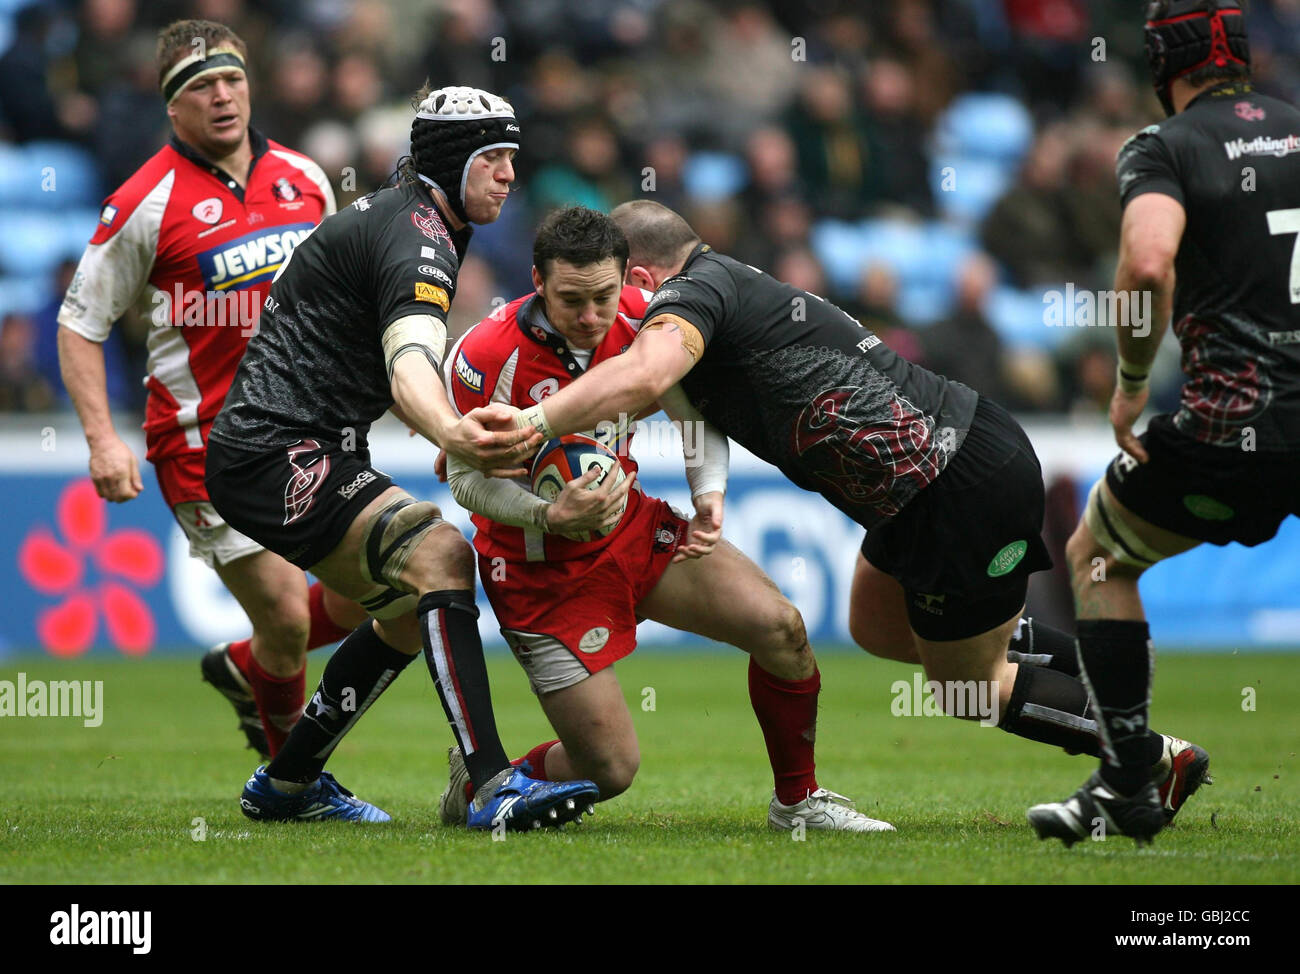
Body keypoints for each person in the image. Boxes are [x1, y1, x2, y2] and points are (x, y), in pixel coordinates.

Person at [506, 199, 1209, 827]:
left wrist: (532, 424)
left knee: (966, 687)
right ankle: (1099, 686)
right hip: (929, 483)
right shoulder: (727, 288)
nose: (606, 316)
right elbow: (688, 407)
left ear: (640, 281)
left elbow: (649, 374)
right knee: (875, 625)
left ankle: (1146, 754)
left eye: (613, 291)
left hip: (954, 483)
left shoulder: (695, 293)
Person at [205, 85, 598, 828]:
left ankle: (287, 783)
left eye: (513, 157)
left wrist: (450, 422)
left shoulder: (408, 213)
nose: (510, 174)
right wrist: (452, 432)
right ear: (451, 162)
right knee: (443, 558)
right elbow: (410, 359)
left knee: (398, 615)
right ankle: (490, 785)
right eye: (494, 158)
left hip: (273, 448)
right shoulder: (419, 232)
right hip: (276, 450)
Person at [438, 205, 894, 832]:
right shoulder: (485, 355)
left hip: (631, 531)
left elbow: (691, 411)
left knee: (781, 627)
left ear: (626, 275)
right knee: (610, 771)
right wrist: (550, 513)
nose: (593, 317)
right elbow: (464, 480)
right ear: (538, 282)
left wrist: (708, 489)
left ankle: (797, 803)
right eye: (573, 300)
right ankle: (485, 784)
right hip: (537, 572)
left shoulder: (646, 317)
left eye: (604, 295)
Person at [56, 19, 365, 761]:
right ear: (173, 106)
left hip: (305, 434)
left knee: (366, 596)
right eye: (200, 86)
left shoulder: (306, 178)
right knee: (289, 620)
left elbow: (339, 302)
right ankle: (293, 779)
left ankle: (242, 666)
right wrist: (103, 438)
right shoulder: (144, 201)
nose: (222, 96)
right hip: (203, 442)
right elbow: (79, 324)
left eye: (231, 79)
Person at [1029, 0, 1297, 845]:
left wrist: (1133, 381)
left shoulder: (1163, 147)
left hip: (1233, 426)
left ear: (1160, 66)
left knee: (1097, 555)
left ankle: (1128, 784)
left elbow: (1147, 263)